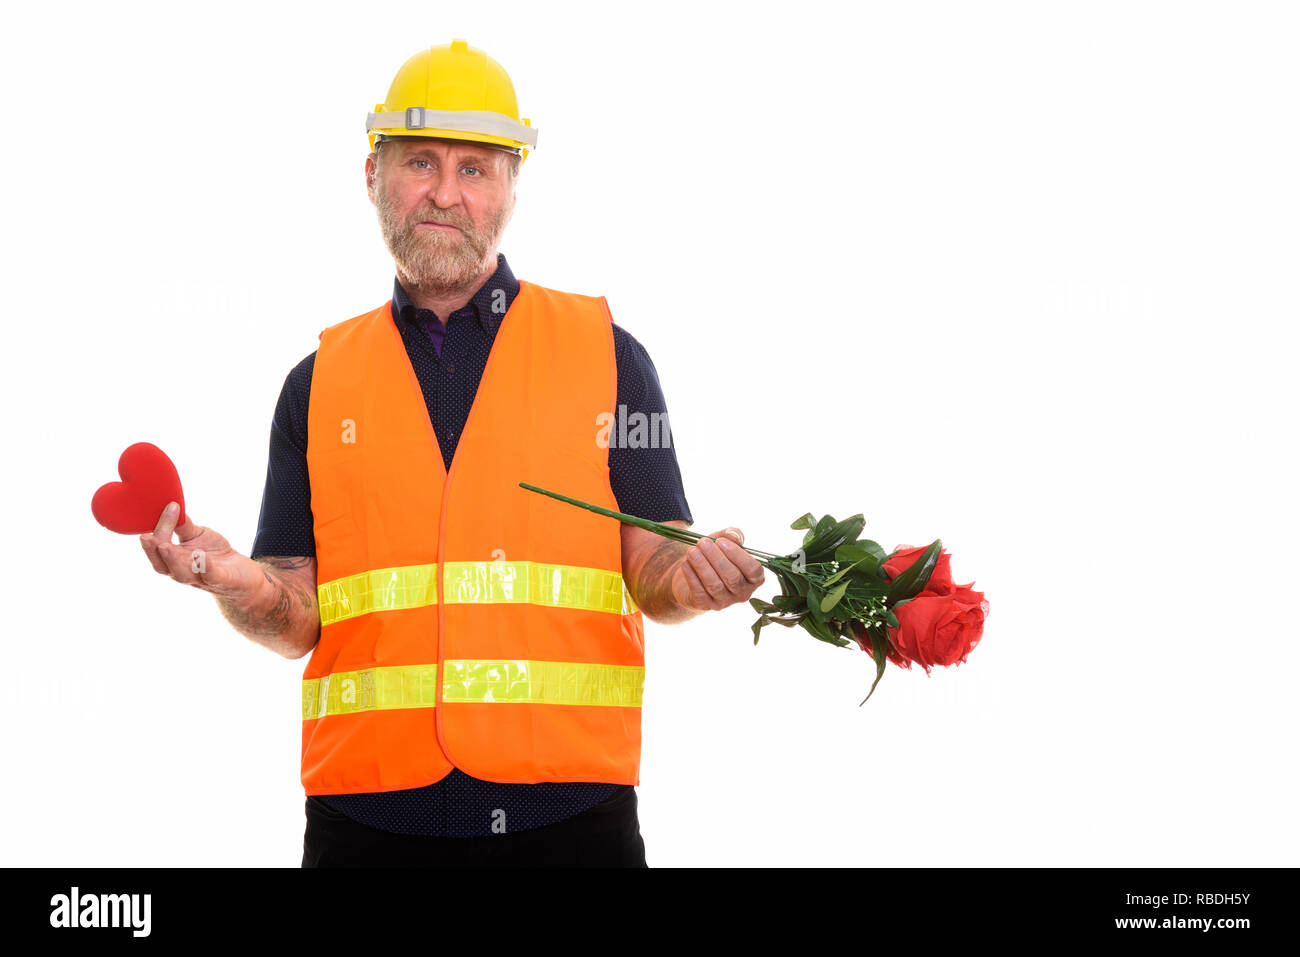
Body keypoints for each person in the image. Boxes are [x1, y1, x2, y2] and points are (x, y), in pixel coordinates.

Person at [137, 39, 766, 868]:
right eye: (420, 162)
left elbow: (654, 565)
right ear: (372, 176)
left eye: (475, 168)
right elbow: (295, 615)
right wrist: (238, 581)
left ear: (510, 187)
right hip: (363, 824)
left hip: (571, 821)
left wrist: (694, 578)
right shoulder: (314, 385)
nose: (444, 192)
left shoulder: (612, 357)